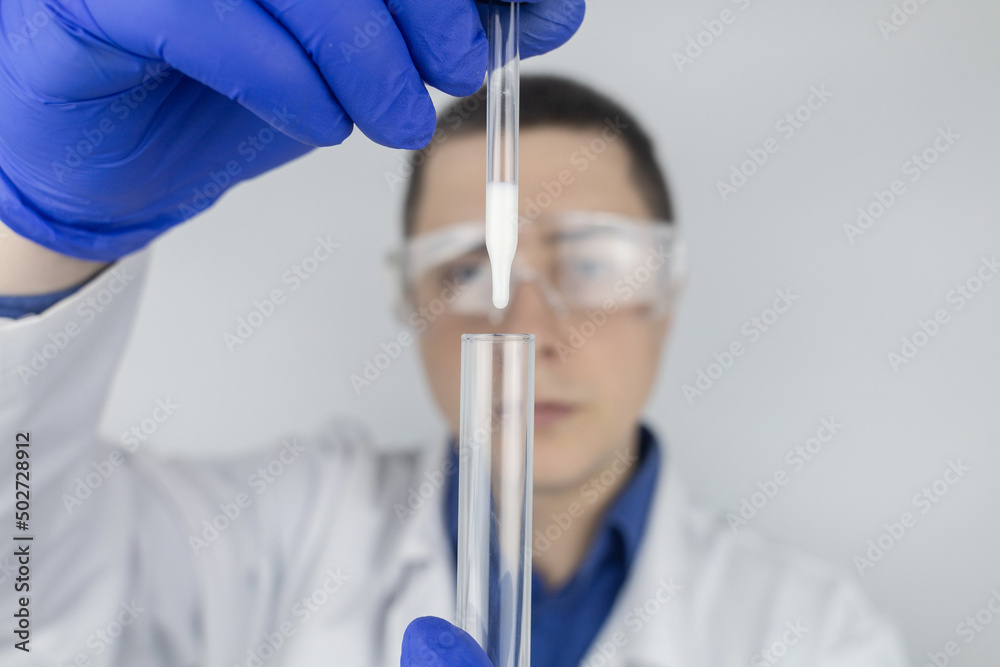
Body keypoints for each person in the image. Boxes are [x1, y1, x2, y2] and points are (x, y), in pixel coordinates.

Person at [0, 3, 908, 666]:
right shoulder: (270, 536)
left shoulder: (815, 633)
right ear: (412, 299)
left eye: (593, 263)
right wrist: (30, 240)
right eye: (466, 271)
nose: (527, 324)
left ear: (667, 292)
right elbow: (23, 591)